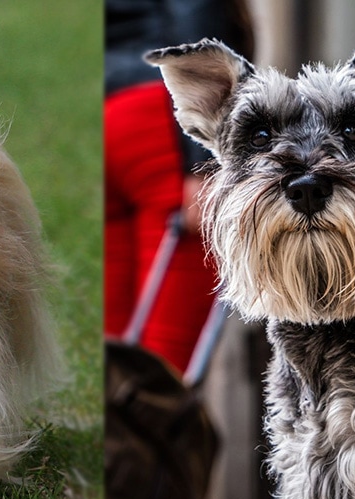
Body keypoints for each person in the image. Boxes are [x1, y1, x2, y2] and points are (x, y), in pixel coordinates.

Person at [105, 0, 251, 374]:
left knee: (113, 348)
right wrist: (203, 162)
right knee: (165, 364)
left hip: (107, 113)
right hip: (156, 119)